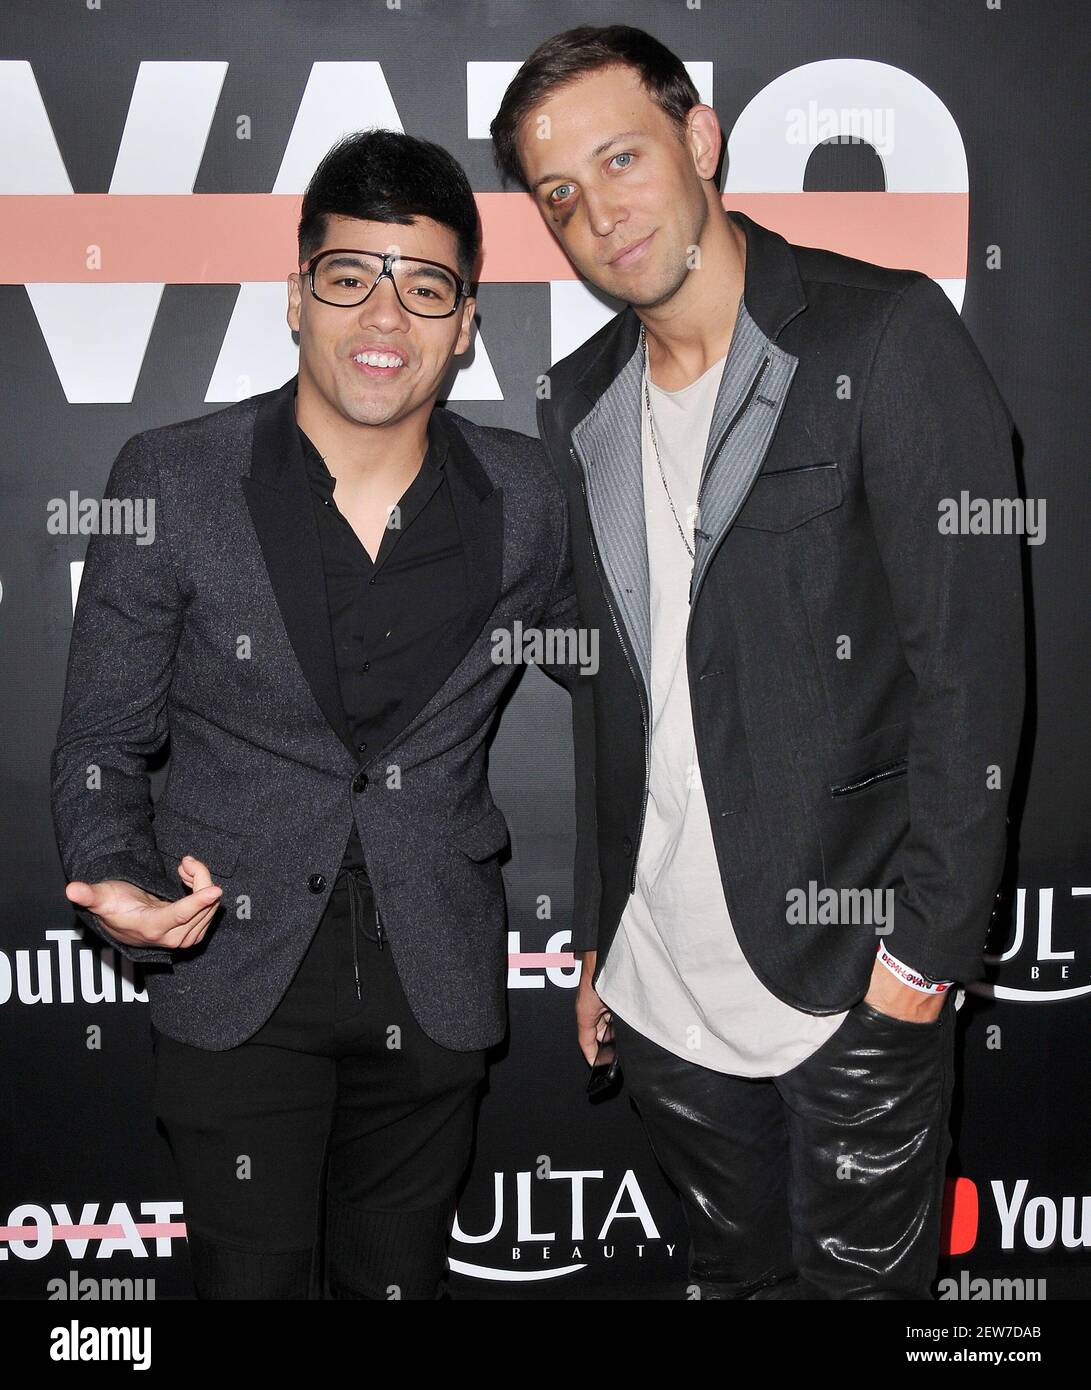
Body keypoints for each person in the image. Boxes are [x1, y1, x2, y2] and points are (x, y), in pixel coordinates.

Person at [492, 25, 1026, 1299]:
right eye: (559, 194)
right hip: (662, 988)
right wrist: (603, 933)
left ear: (699, 139)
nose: (597, 213)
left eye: (621, 158)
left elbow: (973, 677)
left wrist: (918, 964)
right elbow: (614, 700)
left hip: (845, 977)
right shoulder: (580, 401)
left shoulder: (882, 337)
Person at [50, 129, 592, 1300]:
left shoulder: (533, 496)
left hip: (433, 972)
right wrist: (115, 870)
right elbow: (102, 737)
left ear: (464, 321)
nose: (383, 318)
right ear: (295, 298)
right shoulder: (173, 478)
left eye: (423, 286)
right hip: (233, 968)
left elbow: (624, 699)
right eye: (349, 278)